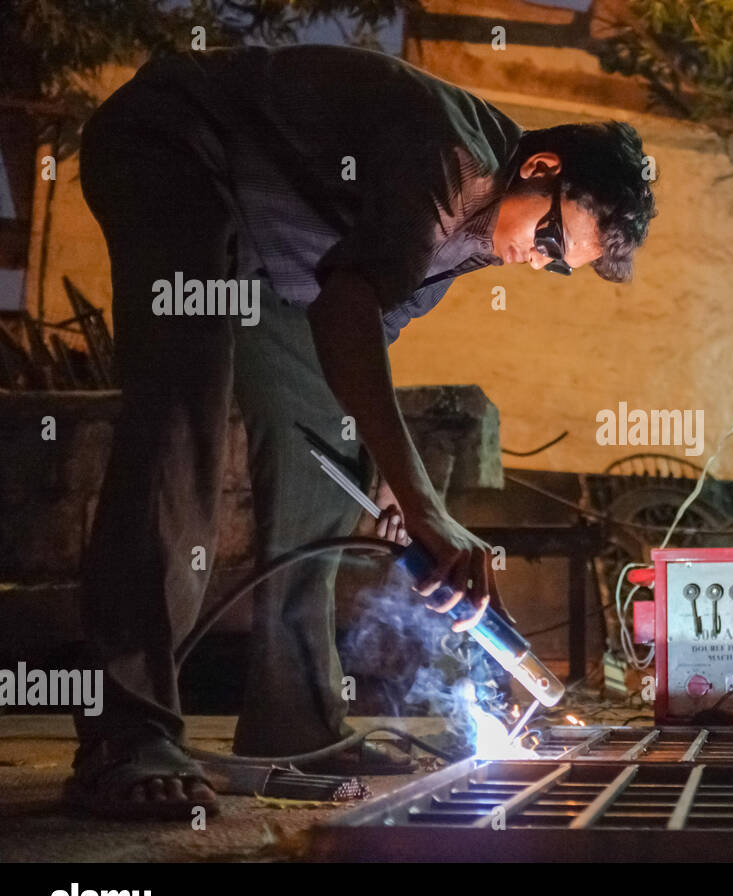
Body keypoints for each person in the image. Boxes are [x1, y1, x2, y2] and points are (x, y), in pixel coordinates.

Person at [67, 44, 656, 818]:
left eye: (559, 266)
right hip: (177, 148)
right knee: (185, 410)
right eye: (550, 240)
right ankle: (126, 731)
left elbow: (362, 329)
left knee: (329, 461)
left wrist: (382, 478)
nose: (540, 263)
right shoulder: (449, 159)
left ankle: (291, 720)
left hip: (270, 261)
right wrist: (425, 504)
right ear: (541, 167)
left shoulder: (480, 234)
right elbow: (346, 305)